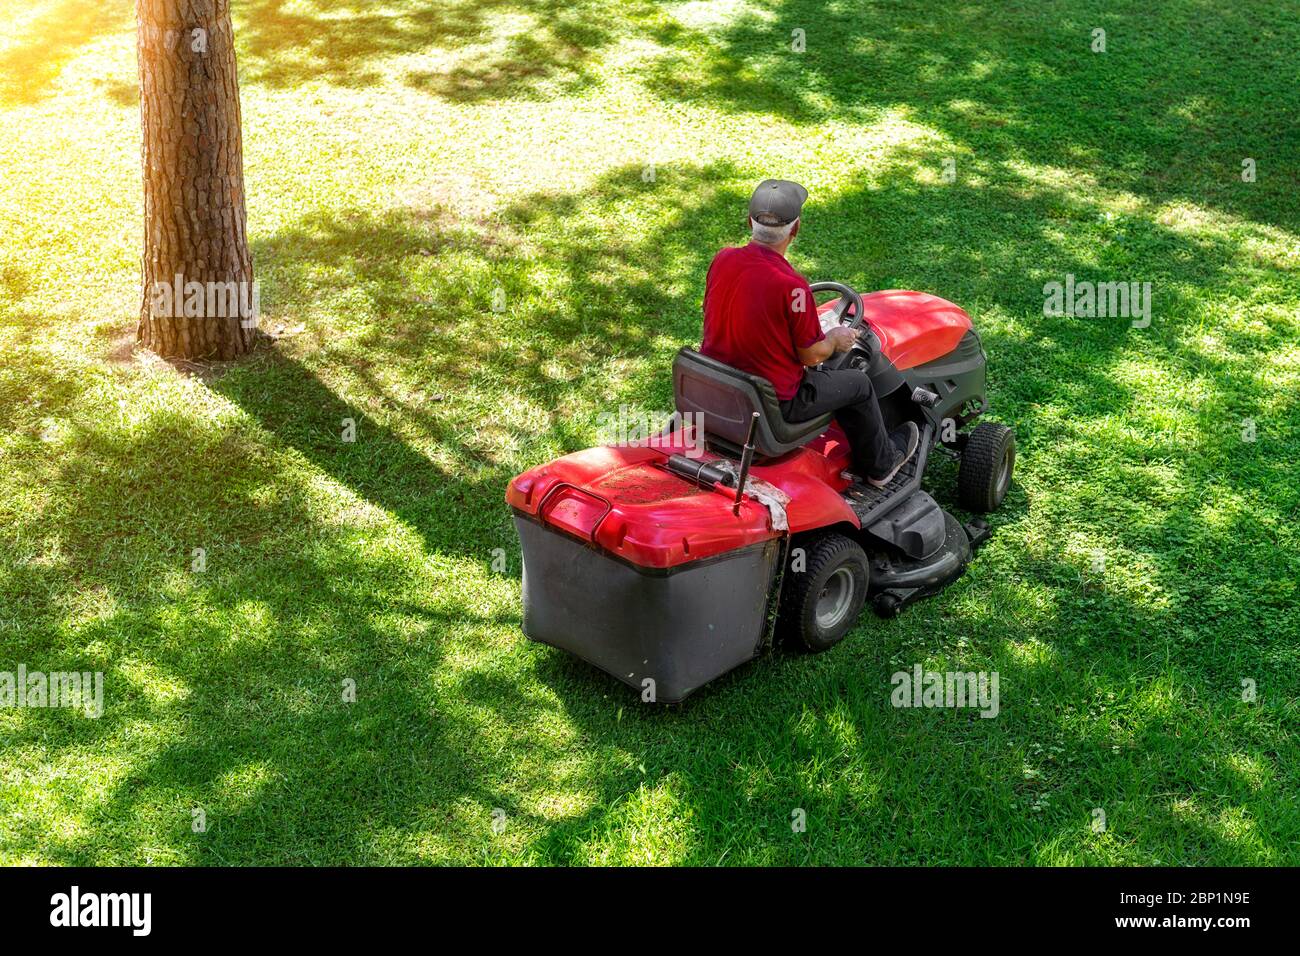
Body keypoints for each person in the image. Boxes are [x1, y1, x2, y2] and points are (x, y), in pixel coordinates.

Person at [700, 179, 919, 487]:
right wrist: (835, 339)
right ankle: (881, 466)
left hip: (719, 388)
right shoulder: (792, 286)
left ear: (749, 221)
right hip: (775, 405)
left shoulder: (722, 259)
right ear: (795, 229)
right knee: (858, 383)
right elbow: (812, 354)